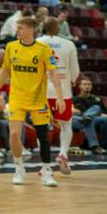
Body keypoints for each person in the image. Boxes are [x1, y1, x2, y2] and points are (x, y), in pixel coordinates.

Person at [0, 15, 65, 187]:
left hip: (38, 99)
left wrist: (60, 97)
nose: (17, 31)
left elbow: (53, 74)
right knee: (14, 134)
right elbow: (5, 71)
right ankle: (19, 168)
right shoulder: (11, 47)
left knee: (43, 136)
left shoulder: (44, 49)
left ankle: (46, 171)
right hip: (17, 98)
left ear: (31, 30)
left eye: (21, 28)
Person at [40, 18, 81, 176]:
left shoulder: (37, 42)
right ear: (58, 29)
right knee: (66, 124)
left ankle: (44, 165)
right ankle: (63, 153)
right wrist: (70, 81)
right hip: (62, 90)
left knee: (41, 127)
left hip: (42, 90)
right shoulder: (69, 44)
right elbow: (75, 71)